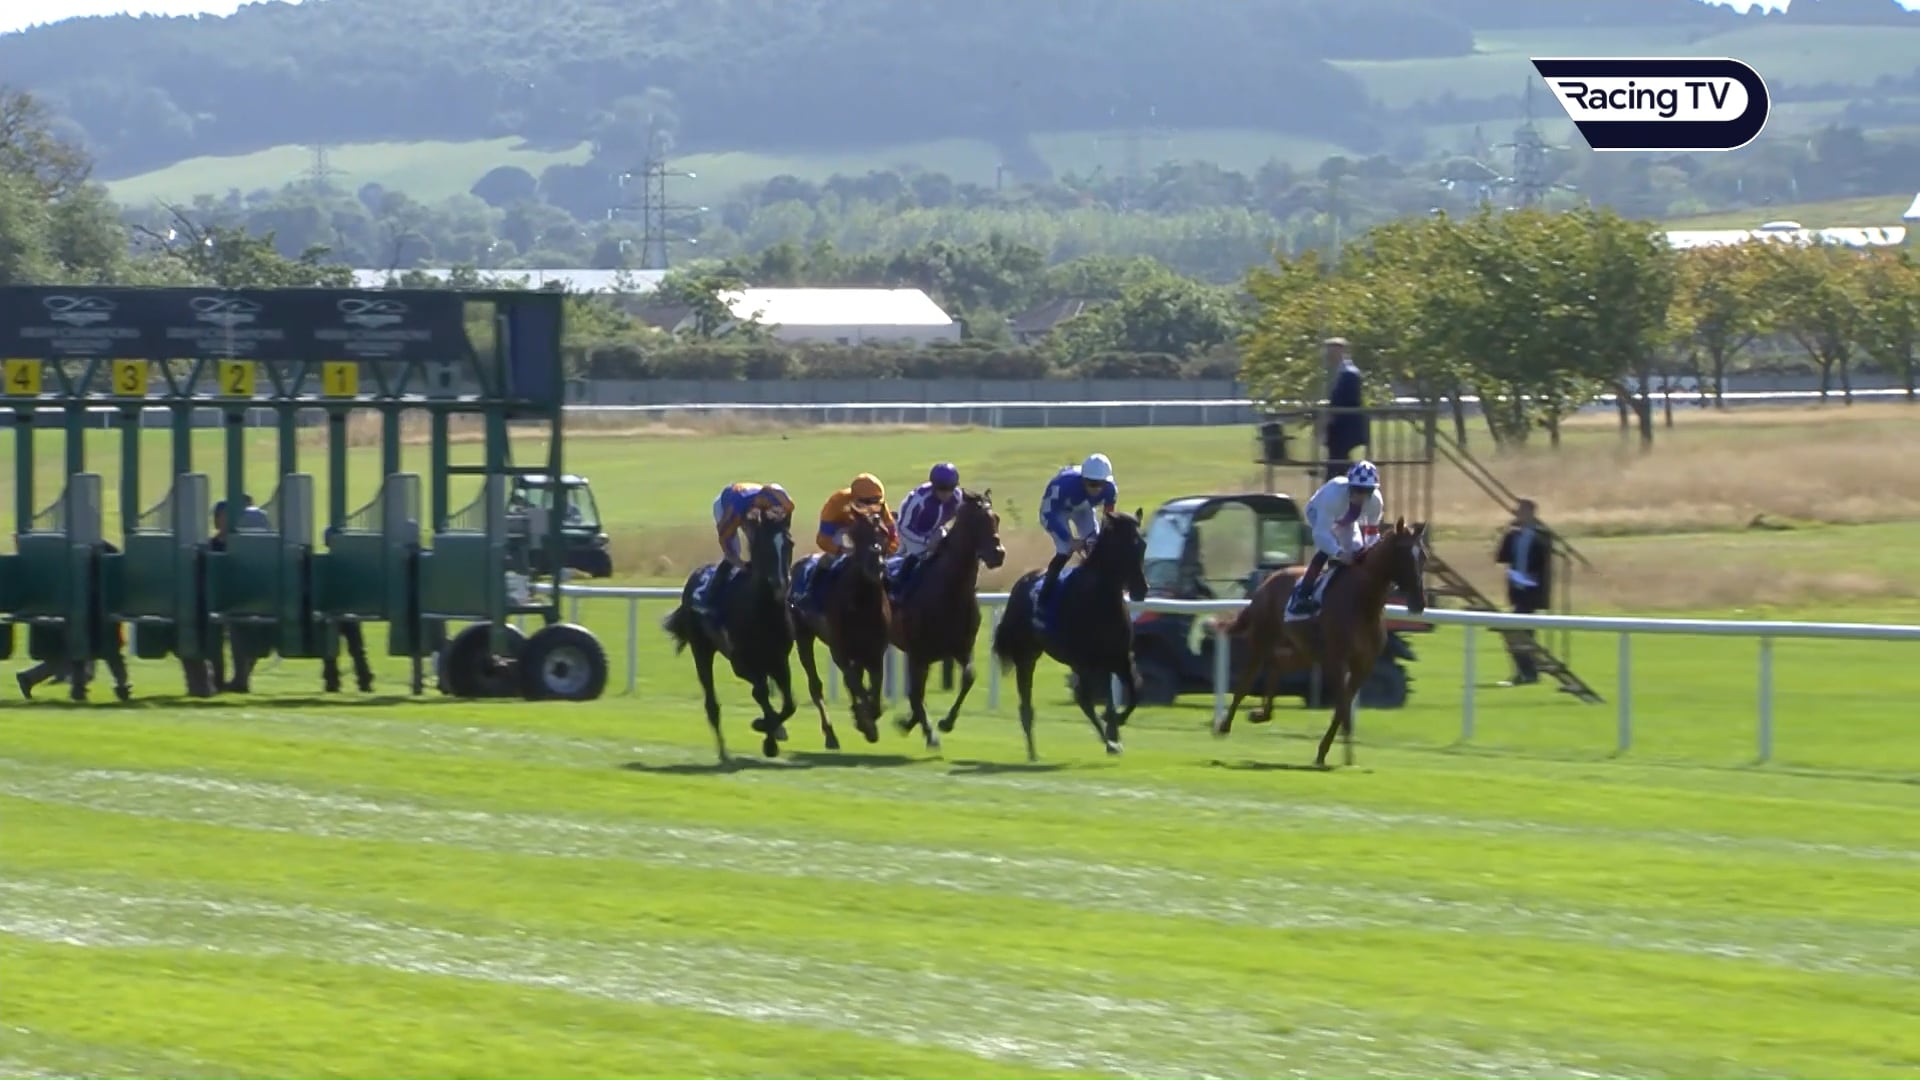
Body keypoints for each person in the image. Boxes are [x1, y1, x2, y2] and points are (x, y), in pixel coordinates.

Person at [1288, 460, 1384, 619]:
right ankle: (1302, 595)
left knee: (1358, 551)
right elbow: (1321, 534)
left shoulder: (1376, 501)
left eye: (1366, 491)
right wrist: (1339, 553)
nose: (1360, 496)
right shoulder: (1333, 496)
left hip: (1346, 521)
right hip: (1317, 513)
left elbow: (1372, 534)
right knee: (1326, 550)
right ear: (1349, 486)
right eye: (1357, 490)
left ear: (1373, 491)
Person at [1037, 453, 1118, 611]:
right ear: (1083, 480)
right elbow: (1049, 515)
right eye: (1092, 484)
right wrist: (1070, 539)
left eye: (1100, 484)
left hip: (1083, 508)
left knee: (1094, 546)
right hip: (1055, 512)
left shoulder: (1110, 489)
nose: (1096, 489)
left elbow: (1108, 519)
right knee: (1065, 549)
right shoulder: (1062, 485)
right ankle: (1044, 595)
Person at [1494, 498, 1553, 686]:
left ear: (1530, 512)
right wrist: (1506, 534)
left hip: (1531, 591)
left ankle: (1527, 673)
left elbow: (1543, 562)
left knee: (1515, 631)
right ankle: (1527, 672)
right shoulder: (1514, 534)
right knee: (1522, 633)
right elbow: (1500, 557)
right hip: (1517, 590)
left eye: (1520, 511)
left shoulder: (1542, 534)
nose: (1517, 514)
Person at [892, 462, 963, 592]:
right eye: (942, 489)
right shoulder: (917, 500)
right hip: (910, 535)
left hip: (936, 532)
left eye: (950, 488)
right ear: (933, 486)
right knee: (920, 558)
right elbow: (903, 527)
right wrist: (927, 541)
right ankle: (899, 591)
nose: (946, 493)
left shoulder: (957, 497)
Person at [1317, 338, 1370, 482]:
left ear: (1341, 352)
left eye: (1331, 351)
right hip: (1340, 431)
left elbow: (1345, 402)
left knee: (1337, 467)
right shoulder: (1341, 373)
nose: (1327, 355)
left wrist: (1329, 418)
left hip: (1344, 430)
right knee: (1338, 465)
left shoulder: (1349, 374)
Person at [814, 473, 899, 557]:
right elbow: (823, 538)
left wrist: (889, 549)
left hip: (868, 530)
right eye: (867, 504)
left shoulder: (881, 505)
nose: (872, 509)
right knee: (845, 540)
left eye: (876, 503)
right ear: (855, 499)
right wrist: (839, 550)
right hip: (842, 533)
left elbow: (892, 532)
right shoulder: (837, 502)